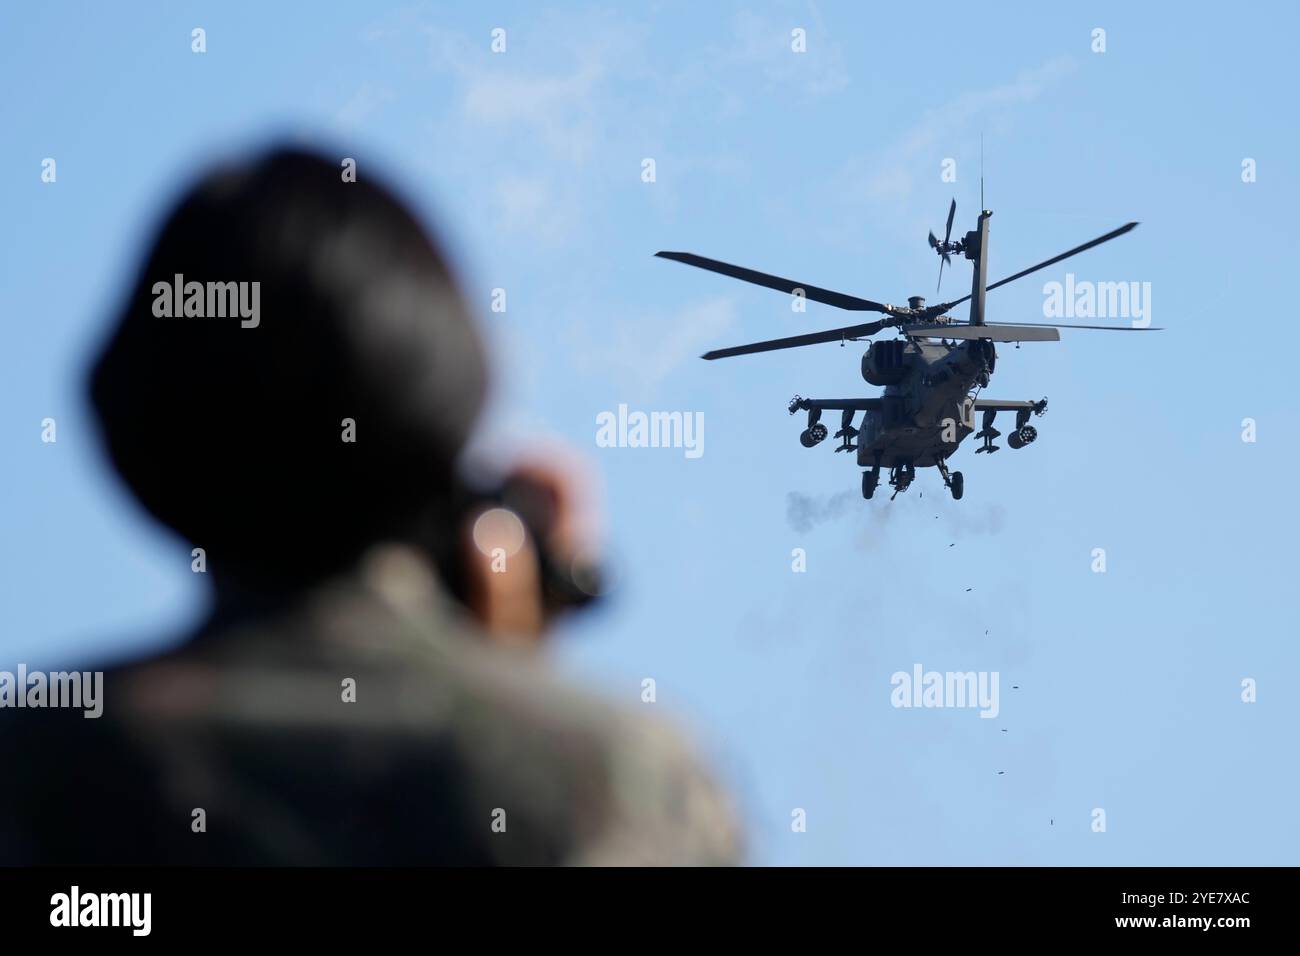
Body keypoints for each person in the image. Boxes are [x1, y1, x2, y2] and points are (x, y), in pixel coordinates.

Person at [0, 147, 741, 865]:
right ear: (445, 398)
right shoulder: (627, 778)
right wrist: (506, 670)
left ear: (138, 433)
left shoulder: (37, 765)